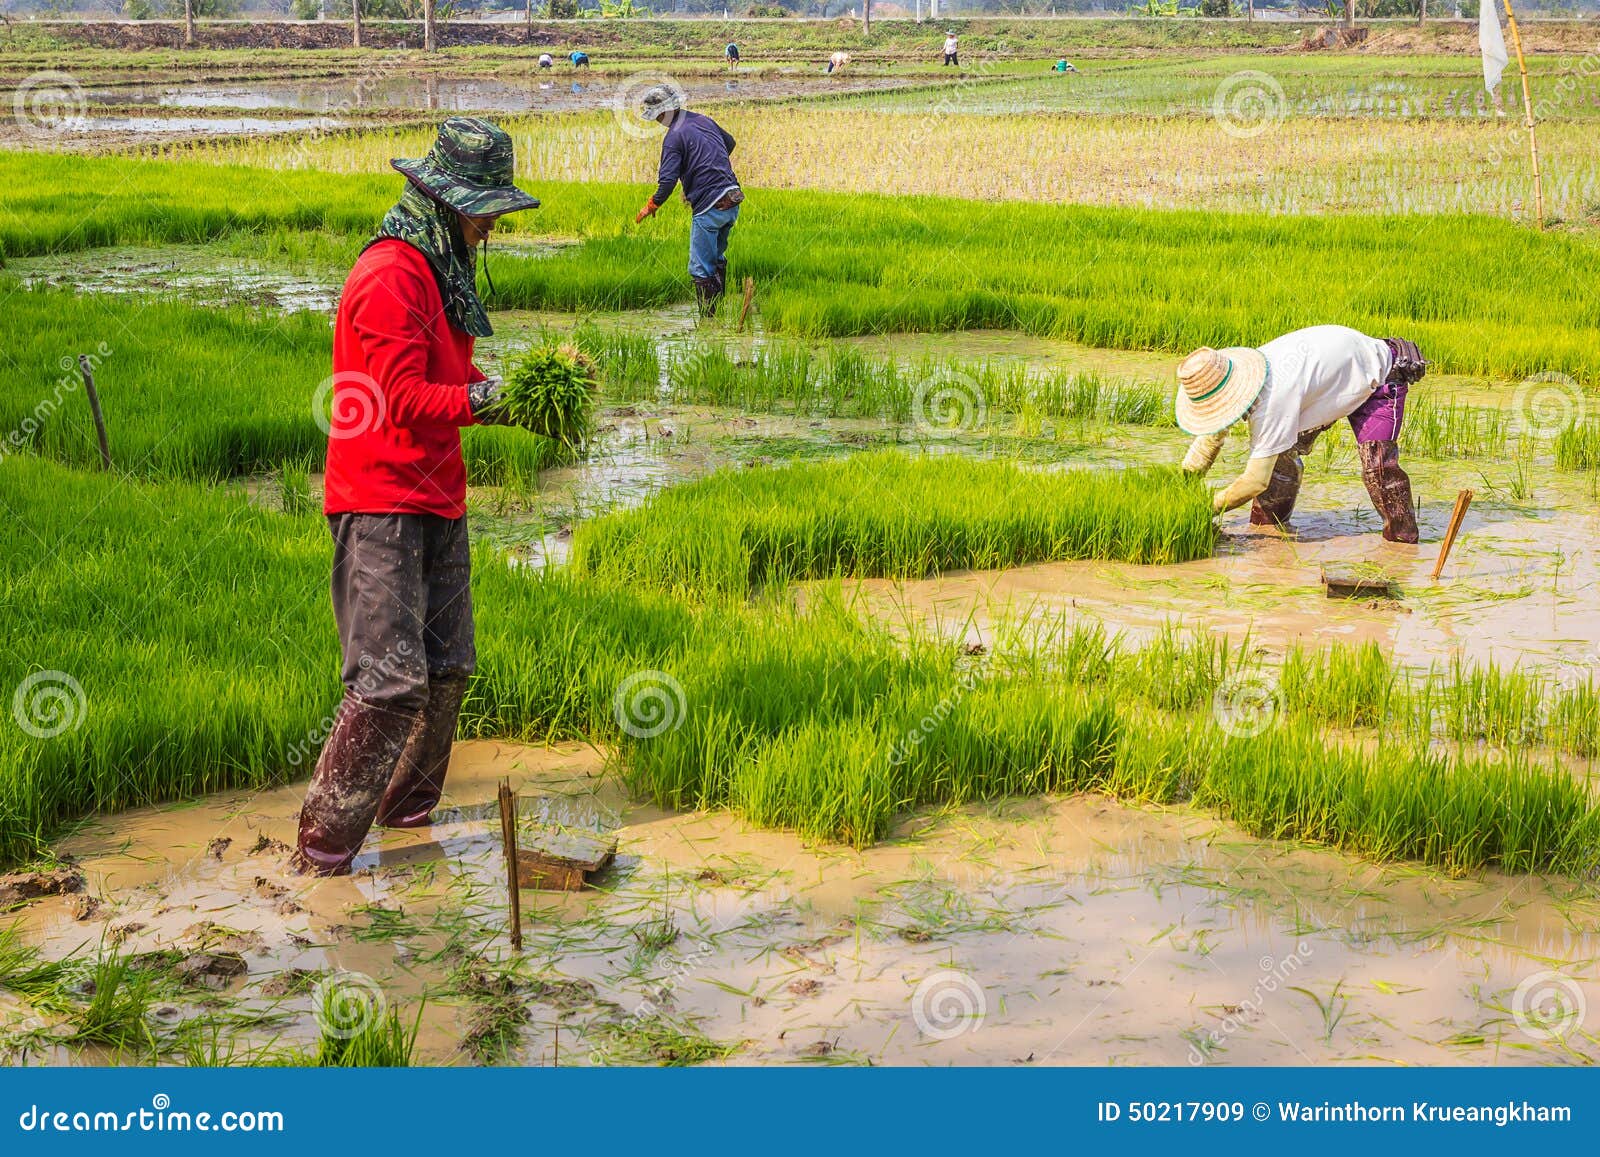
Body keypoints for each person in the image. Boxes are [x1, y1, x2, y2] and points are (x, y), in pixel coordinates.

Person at [291, 118, 542, 876]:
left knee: (448, 667)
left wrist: (514, 391)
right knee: (390, 684)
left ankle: (409, 821)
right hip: (380, 500)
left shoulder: (442, 268)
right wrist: (492, 398)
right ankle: (322, 849)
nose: (492, 223)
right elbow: (400, 397)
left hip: (437, 496)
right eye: (483, 209)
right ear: (443, 199)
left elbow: (447, 381)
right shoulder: (392, 274)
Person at [1176, 325, 1426, 543]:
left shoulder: (1271, 400)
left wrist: (1204, 509)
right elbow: (1211, 438)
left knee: (1379, 470)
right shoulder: (1234, 374)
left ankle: (1402, 544)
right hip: (1329, 383)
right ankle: (1271, 531)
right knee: (1279, 455)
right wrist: (1181, 485)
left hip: (1379, 376)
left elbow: (1255, 481)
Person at [633, 86, 742, 318]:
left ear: (662, 113)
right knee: (716, 258)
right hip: (732, 197)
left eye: (657, 116)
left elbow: (667, 181)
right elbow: (729, 143)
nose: (657, 121)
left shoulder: (673, 136)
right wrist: (710, 166)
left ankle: (709, 319)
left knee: (700, 267)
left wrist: (650, 206)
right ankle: (718, 312)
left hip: (709, 204)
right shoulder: (704, 120)